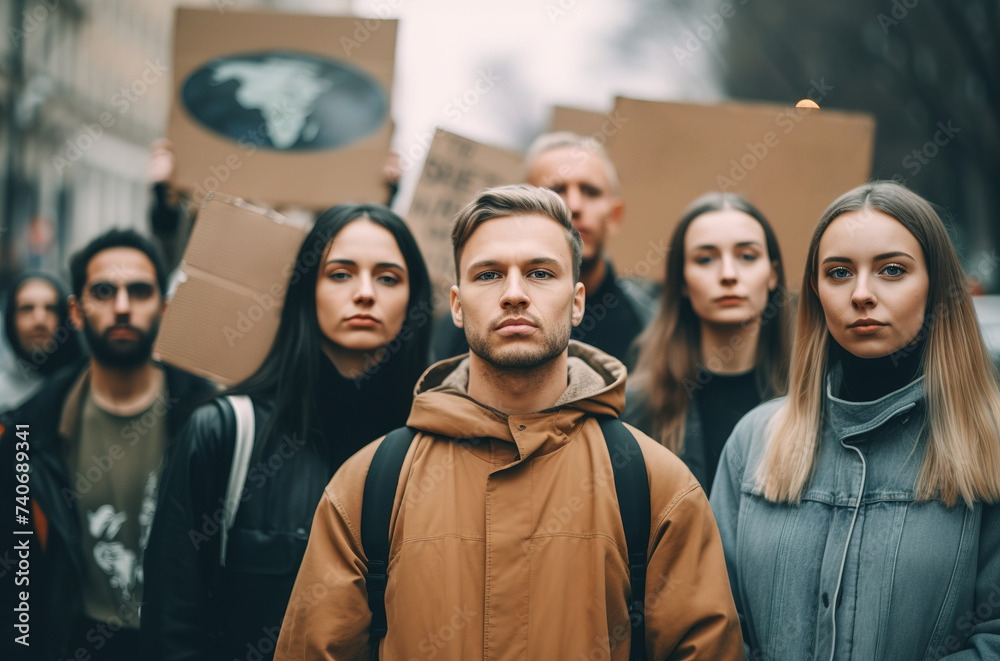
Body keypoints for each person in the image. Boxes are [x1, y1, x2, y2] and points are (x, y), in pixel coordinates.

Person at [274, 185, 743, 660]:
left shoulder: (657, 487)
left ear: (578, 301)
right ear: (456, 305)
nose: (514, 294)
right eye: (489, 274)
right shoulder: (368, 485)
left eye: (540, 273)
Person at [710, 181, 1000, 659]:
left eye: (891, 270)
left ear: (938, 287)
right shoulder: (755, 441)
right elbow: (717, 623)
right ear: (816, 290)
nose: (862, 294)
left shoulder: (987, 443)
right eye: (839, 272)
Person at [141, 204, 432, 661]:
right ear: (306, 290)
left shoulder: (437, 449)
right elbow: (171, 624)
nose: (364, 293)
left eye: (388, 277)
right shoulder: (224, 432)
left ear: (414, 300)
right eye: (340, 274)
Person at [0, 229, 215, 661]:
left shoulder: (210, 418)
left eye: (139, 291)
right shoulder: (28, 431)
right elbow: (18, 578)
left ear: (164, 307)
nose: (121, 307)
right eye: (104, 291)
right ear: (76, 312)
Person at [432, 132, 659, 367]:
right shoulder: (468, 323)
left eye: (590, 191)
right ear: (521, 207)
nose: (574, 205)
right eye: (556, 190)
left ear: (614, 216)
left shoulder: (652, 328)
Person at [623, 193, 790, 492]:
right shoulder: (636, 406)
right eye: (705, 259)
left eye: (747, 256)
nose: (728, 274)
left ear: (772, 275)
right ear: (683, 282)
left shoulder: (809, 400)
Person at [0, 271, 86, 413]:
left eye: (51, 308)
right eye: (26, 308)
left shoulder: (89, 388)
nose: (39, 319)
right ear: (10, 319)